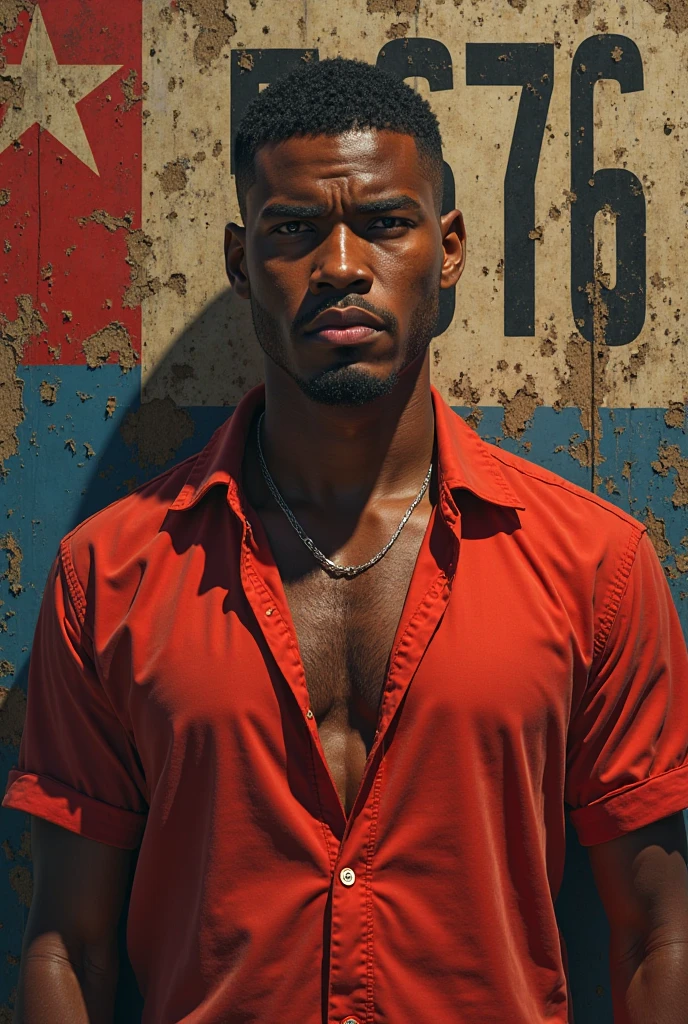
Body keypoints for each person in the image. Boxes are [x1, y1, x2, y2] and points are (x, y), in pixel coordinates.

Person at [4, 56, 688, 1024]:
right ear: (242, 260)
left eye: (383, 223)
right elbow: (67, 944)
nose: (338, 265)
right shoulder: (111, 571)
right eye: (294, 229)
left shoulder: (594, 565)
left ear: (445, 249)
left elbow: (658, 930)